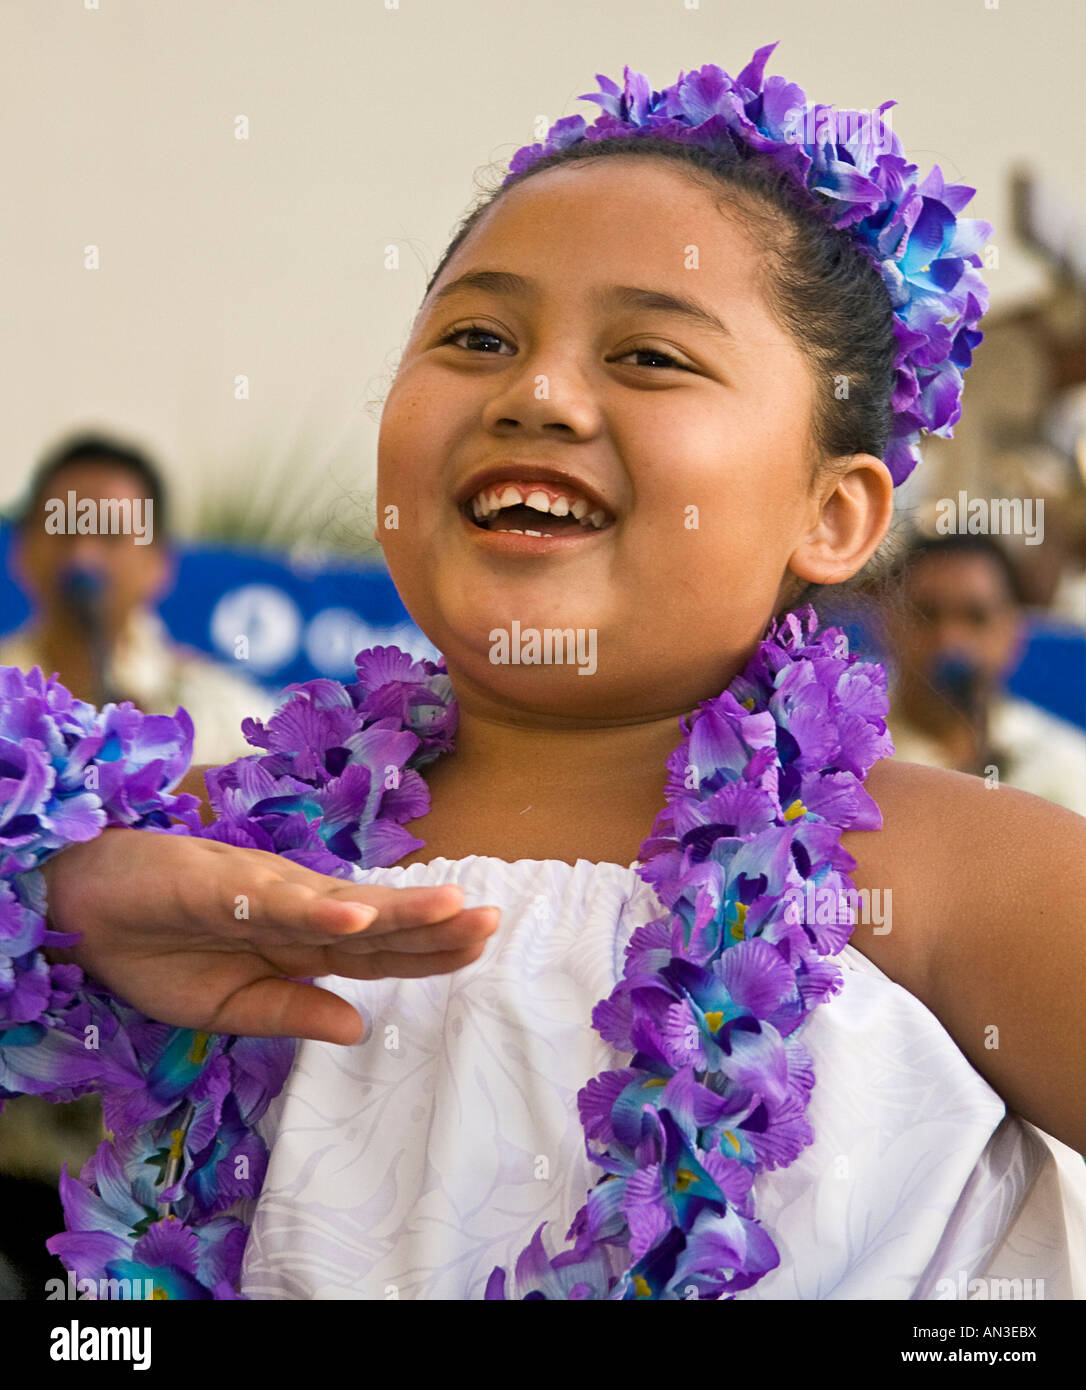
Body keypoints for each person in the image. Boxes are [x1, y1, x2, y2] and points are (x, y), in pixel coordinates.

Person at [2, 46, 1084, 1302]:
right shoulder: (224, 854)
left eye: (650, 356)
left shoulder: (944, 873)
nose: (541, 391)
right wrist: (56, 894)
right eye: (476, 334)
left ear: (833, 513)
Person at [1, 432, 276, 767]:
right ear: (22, 551)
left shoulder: (224, 712)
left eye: (110, 534)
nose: (83, 557)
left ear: (158, 564)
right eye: (64, 530)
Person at [886, 531, 1086, 815]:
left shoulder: (1063, 765)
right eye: (925, 614)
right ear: (888, 625)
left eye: (977, 617)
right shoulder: (848, 753)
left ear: (1012, 632)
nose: (950, 641)